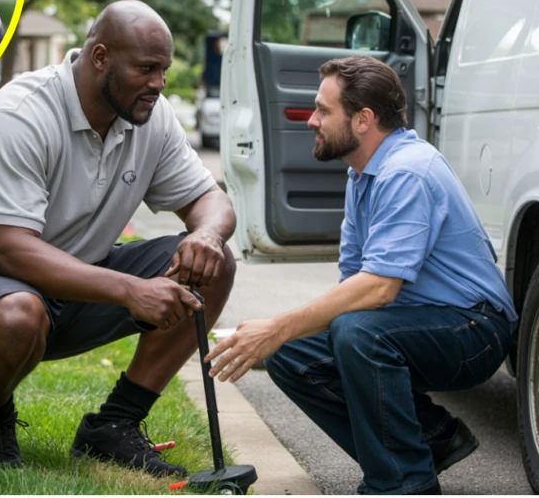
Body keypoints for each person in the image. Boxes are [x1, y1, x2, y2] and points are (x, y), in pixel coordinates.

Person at [0, 0, 237, 474]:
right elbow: (11, 252)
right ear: (100, 57)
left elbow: (211, 198)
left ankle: (114, 427)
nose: (158, 85)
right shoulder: (20, 115)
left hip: (74, 290)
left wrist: (206, 233)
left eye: (164, 70)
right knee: (19, 313)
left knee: (216, 263)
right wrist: (131, 290)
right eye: (147, 69)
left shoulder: (152, 116)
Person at [205, 56, 517, 496]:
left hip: (474, 329)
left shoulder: (406, 171)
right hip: (420, 323)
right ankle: (428, 439)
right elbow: (354, 285)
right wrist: (276, 340)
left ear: (364, 119)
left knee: (358, 334)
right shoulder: (362, 175)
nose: (311, 120)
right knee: (292, 355)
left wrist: (276, 327)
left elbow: (379, 288)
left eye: (323, 110)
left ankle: (402, 482)